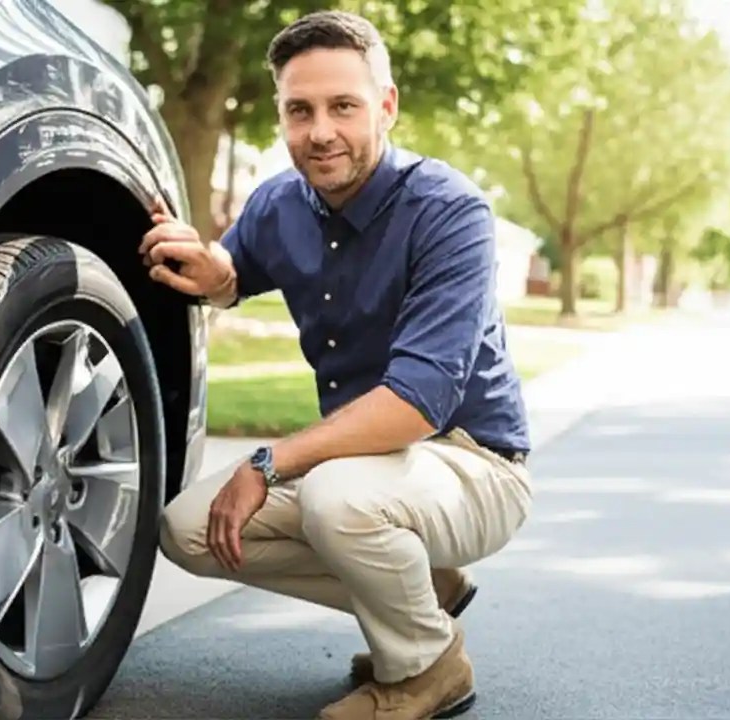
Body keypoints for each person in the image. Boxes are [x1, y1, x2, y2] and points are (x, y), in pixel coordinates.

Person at [139, 10, 533, 720]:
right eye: (300, 110)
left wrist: (266, 464)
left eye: (343, 106)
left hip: (475, 465)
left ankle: (424, 668)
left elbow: (416, 403)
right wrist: (211, 270)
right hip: (366, 469)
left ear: (386, 106)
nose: (320, 131)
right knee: (189, 529)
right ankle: (422, 592)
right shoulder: (280, 201)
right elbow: (238, 269)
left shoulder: (450, 213)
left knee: (335, 499)